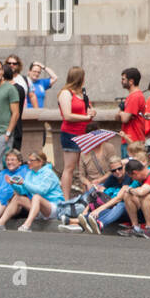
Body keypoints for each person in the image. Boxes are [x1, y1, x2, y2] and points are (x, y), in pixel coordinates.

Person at [0, 150, 64, 231]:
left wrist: (24, 182)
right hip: (37, 207)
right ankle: (0, 223)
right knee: (18, 197)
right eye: (28, 160)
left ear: (40, 162)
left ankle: (27, 225)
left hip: (53, 207)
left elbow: (41, 191)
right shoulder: (30, 173)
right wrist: (13, 184)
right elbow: (23, 191)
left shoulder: (49, 173)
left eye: (31, 160)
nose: (28, 162)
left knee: (36, 197)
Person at [55, 66, 95, 201]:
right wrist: (86, 118)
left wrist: (91, 112)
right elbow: (67, 115)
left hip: (83, 133)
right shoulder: (66, 93)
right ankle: (66, 199)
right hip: (71, 133)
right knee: (70, 167)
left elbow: (88, 109)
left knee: (83, 168)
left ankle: (86, 198)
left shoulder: (82, 94)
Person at [117, 67, 150, 157]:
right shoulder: (133, 96)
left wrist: (121, 113)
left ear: (131, 81)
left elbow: (125, 118)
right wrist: (121, 113)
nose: (121, 81)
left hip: (133, 139)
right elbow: (119, 117)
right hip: (130, 138)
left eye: (123, 79)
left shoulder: (135, 96)